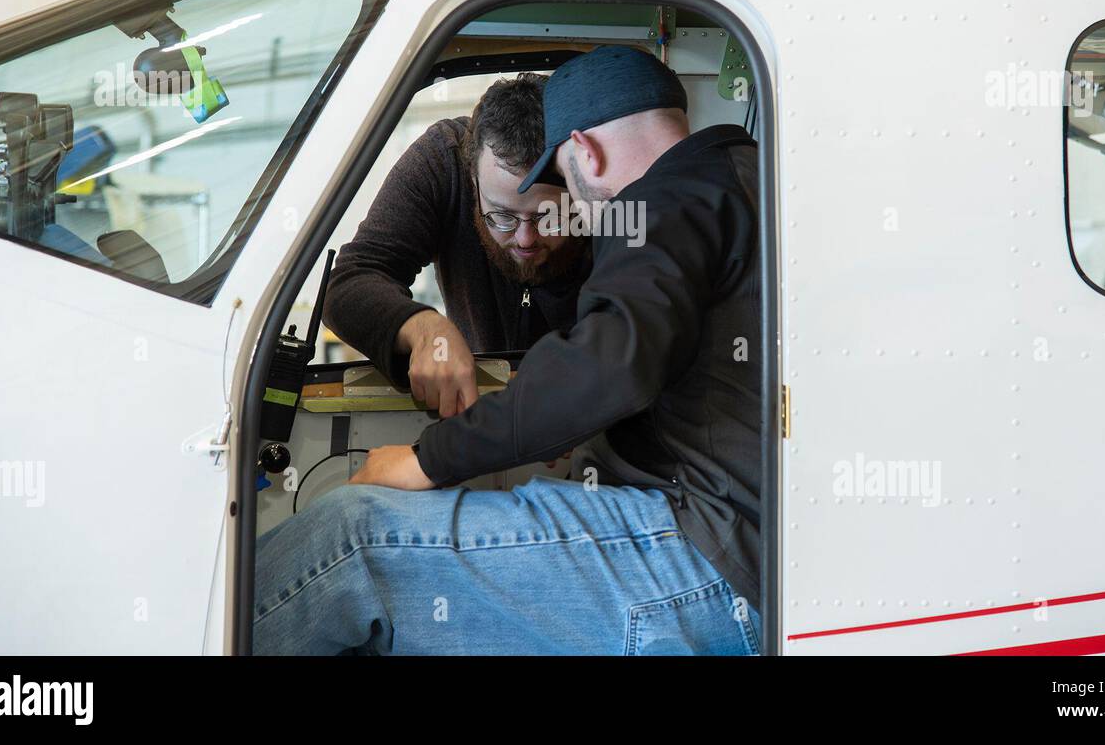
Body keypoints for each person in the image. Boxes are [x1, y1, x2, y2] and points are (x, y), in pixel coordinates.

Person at [255, 46, 762, 655]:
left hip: (699, 553)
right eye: (501, 216)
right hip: (733, 548)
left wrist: (425, 460)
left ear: (586, 151)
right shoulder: (746, 175)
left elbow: (606, 368)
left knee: (352, 538)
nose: (529, 236)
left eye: (559, 202)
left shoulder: (651, 207)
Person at [323, 73, 588, 416]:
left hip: (591, 408)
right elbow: (349, 282)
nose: (525, 239)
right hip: (479, 412)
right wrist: (423, 329)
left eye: (548, 217)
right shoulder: (443, 161)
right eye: (502, 216)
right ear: (472, 178)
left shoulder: (610, 183)